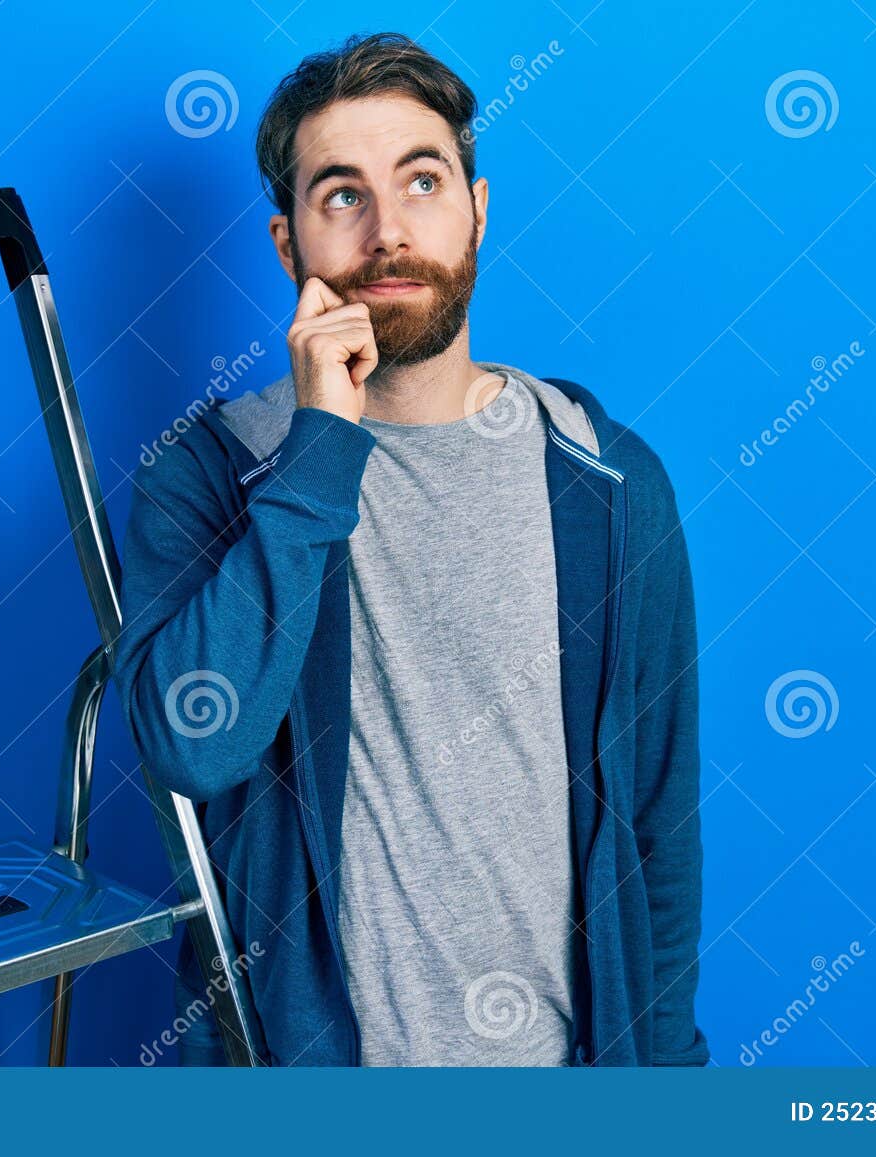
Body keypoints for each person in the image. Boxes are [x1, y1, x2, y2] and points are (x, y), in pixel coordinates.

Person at [113, 30, 708, 1067]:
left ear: (477, 209)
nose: (387, 231)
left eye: (421, 182)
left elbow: (658, 828)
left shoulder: (608, 482)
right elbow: (190, 748)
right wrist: (317, 453)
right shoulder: (209, 476)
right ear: (287, 245)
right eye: (341, 194)